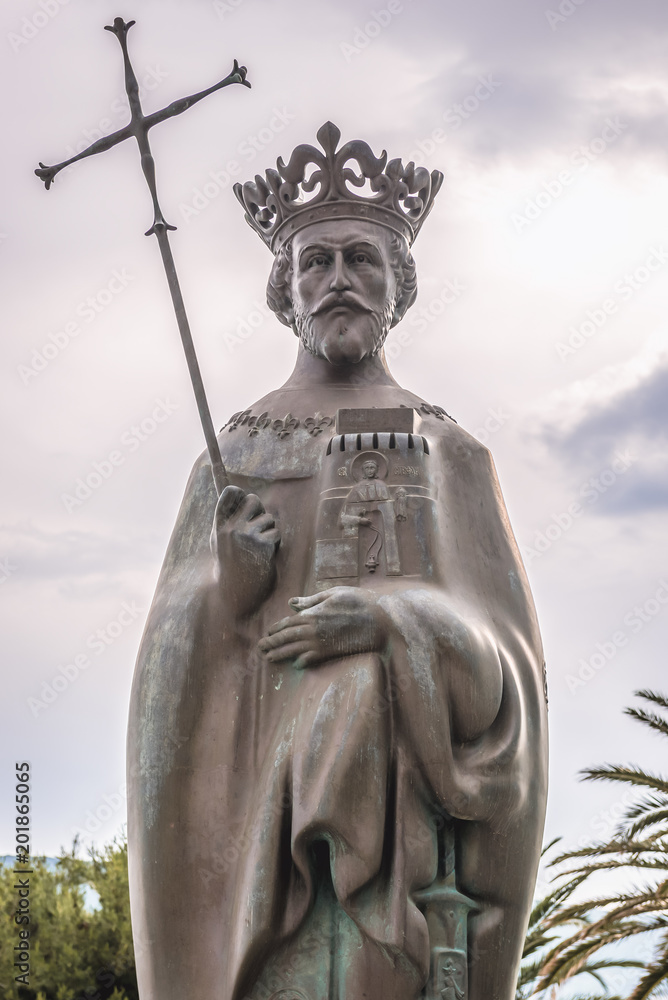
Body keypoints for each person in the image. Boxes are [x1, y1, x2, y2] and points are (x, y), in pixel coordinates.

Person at [127, 123, 548, 1000]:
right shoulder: (234, 452)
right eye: (316, 262)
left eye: (362, 259)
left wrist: (394, 621)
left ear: (400, 285)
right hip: (262, 840)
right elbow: (165, 684)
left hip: (408, 846)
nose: (339, 279)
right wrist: (226, 590)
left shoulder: (451, 451)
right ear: (286, 290)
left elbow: (512, 665)